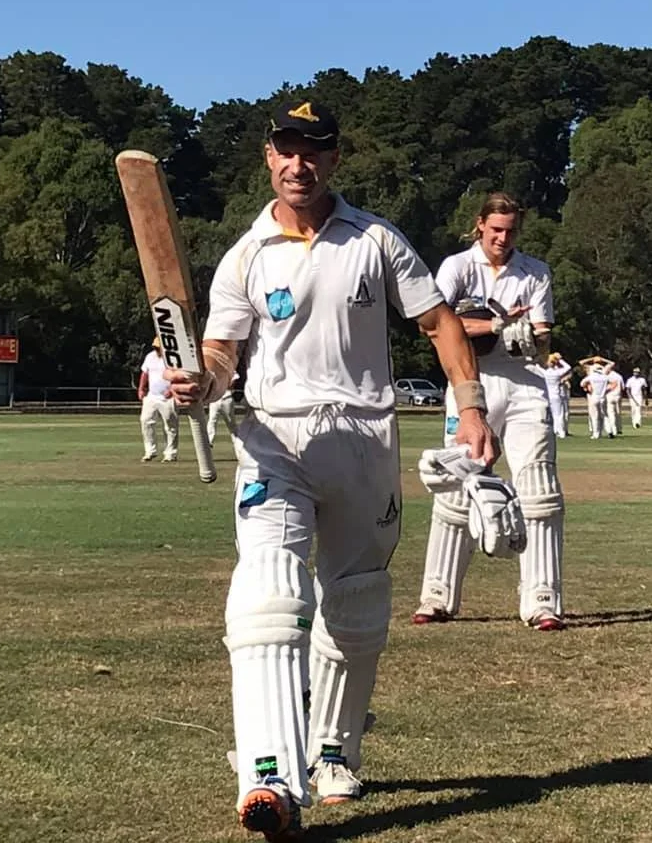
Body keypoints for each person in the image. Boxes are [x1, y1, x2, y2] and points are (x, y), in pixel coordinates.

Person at [164, 100, 496, 842]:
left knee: (355, 604)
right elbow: (221, 354)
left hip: (364, 438)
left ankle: (335, 748)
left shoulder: (375, 238)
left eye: (312, 151)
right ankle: (268, 770)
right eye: (285, 149)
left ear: (334, 159)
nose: (297, 164)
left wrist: (470, 408)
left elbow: (440, 323)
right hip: (274, 438)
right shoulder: (247, 253)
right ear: (267, 156)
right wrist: (201, 382)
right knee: (267, 589)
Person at [412, 191, 567, 634]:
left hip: (524, 385)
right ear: (479, 225)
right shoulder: (457, 268)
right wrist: (498, 325)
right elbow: (435, 327)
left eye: (510, 230)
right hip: (469, 383)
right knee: (457, 486)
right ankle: (437, 596)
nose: (503, 238)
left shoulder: (535, 272)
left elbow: (542, 337)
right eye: (495, 229)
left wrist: (532, 339)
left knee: (539, 490)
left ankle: (542, 600)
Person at [137, 336, 178, 463]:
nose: (157, 350)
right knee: (145, 421)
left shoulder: (173, 358)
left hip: (167, 398)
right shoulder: (150, 357)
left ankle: (170, 453)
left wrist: (171, 390)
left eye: (158, 348)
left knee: (170, 426)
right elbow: (145, 373)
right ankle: (150, 451)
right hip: (152, 396)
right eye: (155, 348)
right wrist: (141, 388)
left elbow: (179, 375)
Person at [533, 352, 572, 440]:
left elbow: (536, 365)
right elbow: (568, 367)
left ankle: (555, 430)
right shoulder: (557, 372)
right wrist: (559, 359)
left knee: (551, 414)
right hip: (556, 395)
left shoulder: (545, 372)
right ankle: (561, 432)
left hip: (547, 395)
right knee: (559, 414)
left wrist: (540, 357)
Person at [579, 362, 611, 440]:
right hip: (603, 398)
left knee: (594, 416)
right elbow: (611, 384)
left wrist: (587, 387)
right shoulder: (605, 377)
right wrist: (606, 390)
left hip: (594, 397)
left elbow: (582, 384)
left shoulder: (591, 377)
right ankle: (605, 431)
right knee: (603, 415)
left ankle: (596, 434)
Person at [207, 373, 239, 451]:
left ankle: (238, 443)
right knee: (212, 420)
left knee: (231, 423)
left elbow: (234, 379)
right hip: (215, 399)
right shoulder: (213, 368)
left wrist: (222, 384)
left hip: (226, 398)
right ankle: (209, 441)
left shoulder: (229, 367)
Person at [604, 362, 625, 437]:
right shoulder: (619, 376)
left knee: (611, 413)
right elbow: (623, 387)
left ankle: (614, 430)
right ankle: (619, 428)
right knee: (618, 412)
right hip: (618, 395)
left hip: (610, 396)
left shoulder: (606, 377)